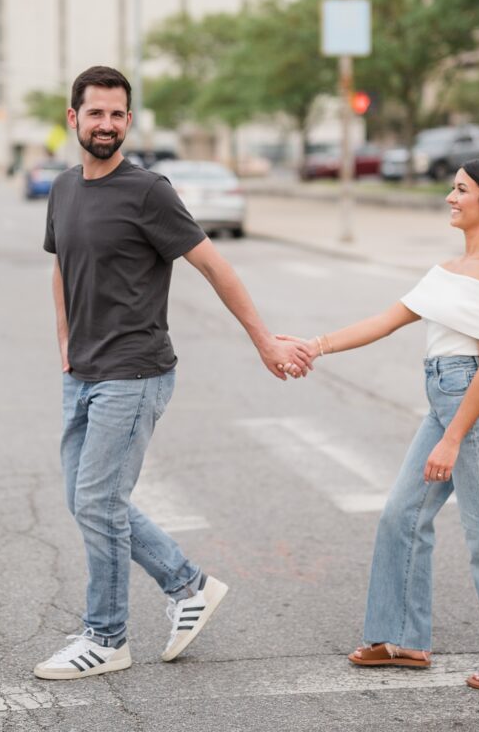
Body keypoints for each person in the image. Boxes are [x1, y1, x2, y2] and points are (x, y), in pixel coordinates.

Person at [34, 65, 311, 681]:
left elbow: (214, 266)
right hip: (81, 372)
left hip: (133, 373)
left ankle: (106, 638)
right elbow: (62, 266)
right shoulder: (64, 189)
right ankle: (188, 587)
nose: (106, 124)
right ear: (73, 118)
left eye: (117, 114)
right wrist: (63, 336)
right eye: (95, 112)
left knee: (98, 501)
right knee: (88, 502)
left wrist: (264, 341)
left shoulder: (148, 192)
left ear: (129, 121)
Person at [280, 159, 479, 694]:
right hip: (443, 398)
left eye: (461, 190)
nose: (450, 198)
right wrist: (314, 346)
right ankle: (401, 639)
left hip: (472, 406)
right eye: (452, 188)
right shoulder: (450, 268)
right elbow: (385, 321)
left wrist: (452, 440)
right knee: (402, 515)